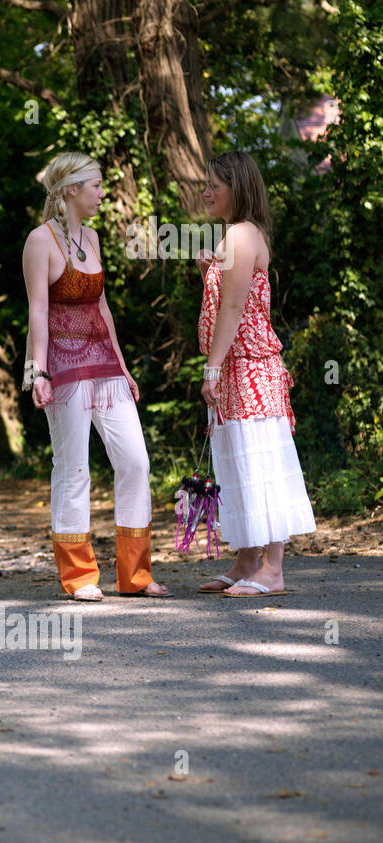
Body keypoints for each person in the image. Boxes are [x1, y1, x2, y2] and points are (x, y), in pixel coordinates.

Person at [22, 153, 172, 600]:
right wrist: (38, 371)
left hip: (105, 366)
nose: (103, 193)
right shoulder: (39, 241)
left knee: (135, 462)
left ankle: (136, 575)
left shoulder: (93, 237)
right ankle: (80, 577)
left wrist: (123, 368)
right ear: (71, 190)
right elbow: (38, 311)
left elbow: (102, 306)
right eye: (96, 186)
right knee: (73, 469)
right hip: (64, 370)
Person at [196, 151, 315, 596]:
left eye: (214, 184)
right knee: (236, 463)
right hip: (235, 367)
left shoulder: (242, 236)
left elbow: (232, 309)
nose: (206, 192)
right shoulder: (235, 237)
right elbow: (232, 300)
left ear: (237, 188)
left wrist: (211, 367)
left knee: (261, 460)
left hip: (248, 368)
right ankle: (247, 561)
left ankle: (273, 568)